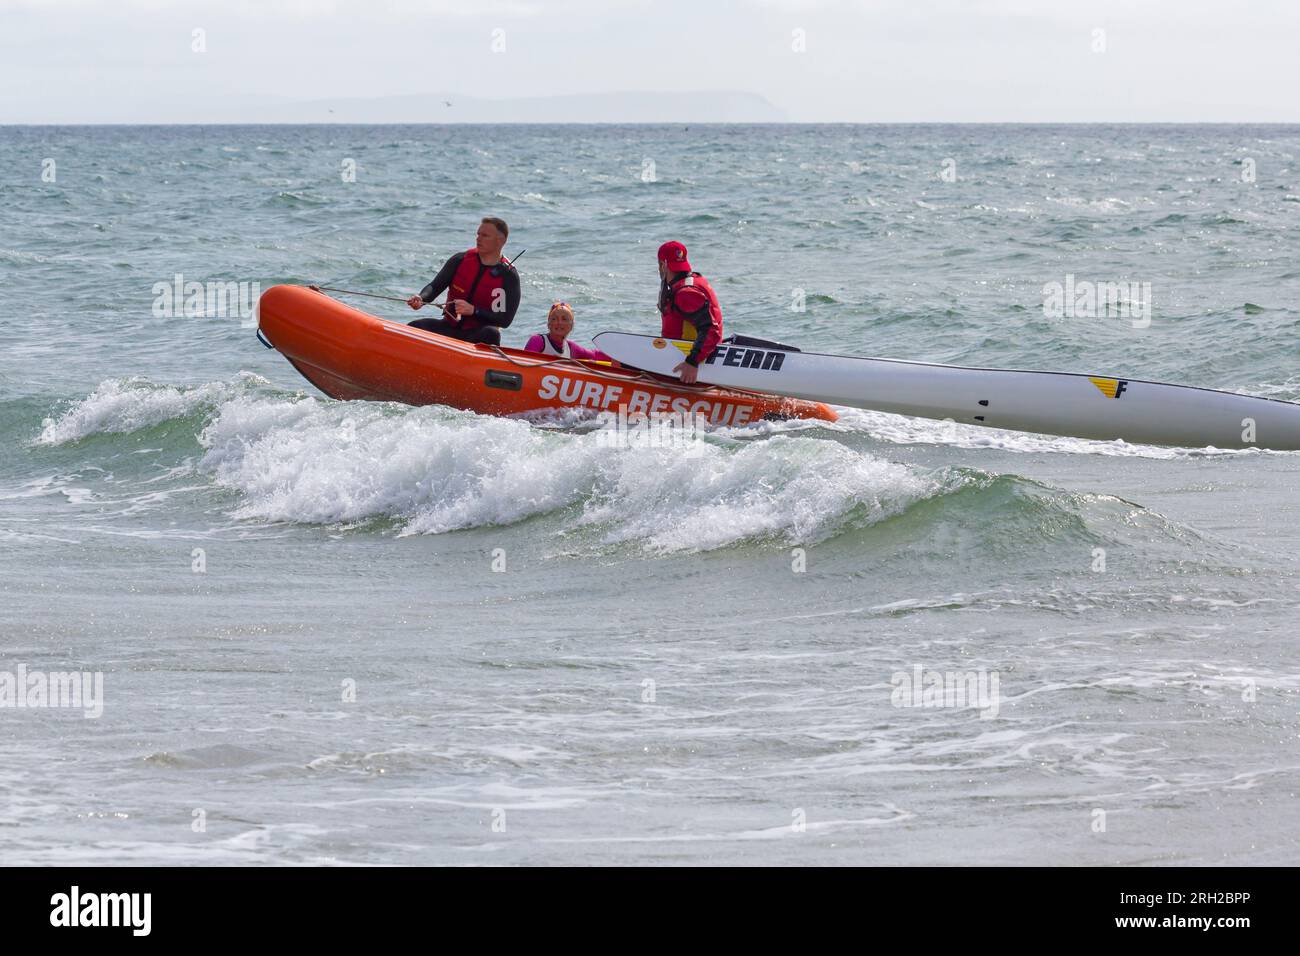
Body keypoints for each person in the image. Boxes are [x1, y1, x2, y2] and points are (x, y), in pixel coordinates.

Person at [406, 218, 520, 344]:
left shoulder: (508, 276)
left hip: (477, 334)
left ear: (501, 241)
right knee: (414, 327)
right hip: (448, 327)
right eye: (478, 234)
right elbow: (435, 286)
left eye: (485, 235)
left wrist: (474, 311)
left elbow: (505, 320)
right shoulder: (460, 260)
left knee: (492, 333)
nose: (478, 238)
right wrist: (421, 298)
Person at [655, 241, 722, 383]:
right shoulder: (690, 282)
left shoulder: (685, 293)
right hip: (678, 357)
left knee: (619, 362)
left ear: (662, 265)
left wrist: (692, 362)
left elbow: (710, 329)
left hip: (687, 364)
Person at [524, 302, 614, 361]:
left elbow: (594, 355)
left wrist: (618, 357)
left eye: (564, 319)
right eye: (554, 319)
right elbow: (524, 363)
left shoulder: (570, 348)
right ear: (549, 324)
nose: (559, 323)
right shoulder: (538, 341)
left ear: (571, 326)